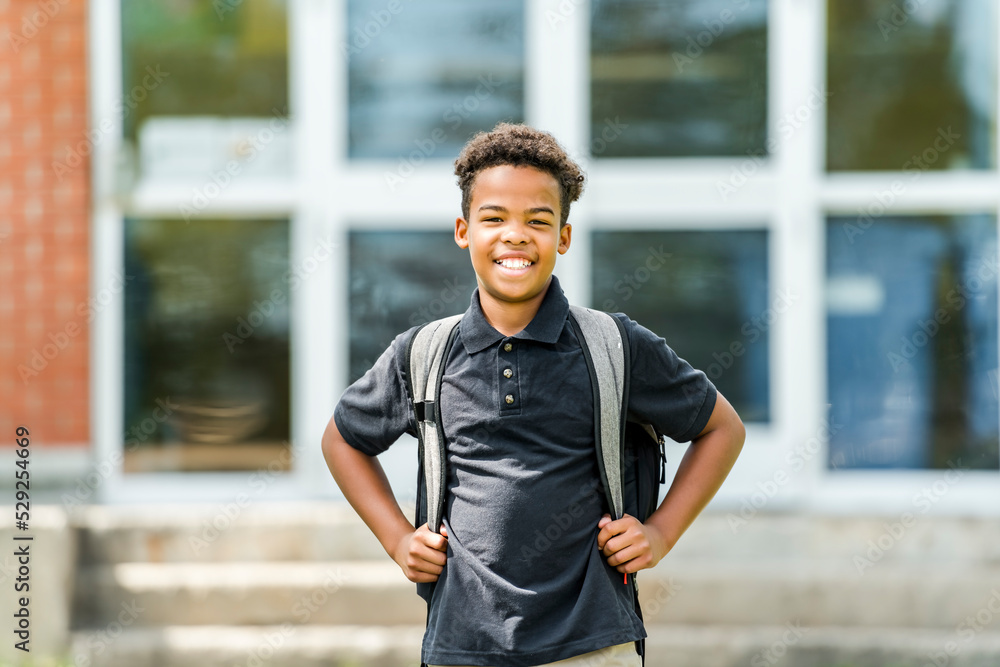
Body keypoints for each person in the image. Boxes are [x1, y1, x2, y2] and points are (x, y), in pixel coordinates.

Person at [322, 122, 745, 667]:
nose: (515, 235)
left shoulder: (613, 345)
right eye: (493, 218)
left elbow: (721, 428)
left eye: (538, 221)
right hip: (461, 643)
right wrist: (397, 540)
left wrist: (660, 532)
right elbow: (342, 439)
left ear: (563, 238)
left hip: (593, 642)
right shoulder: (423, 354)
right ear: (463, 230)